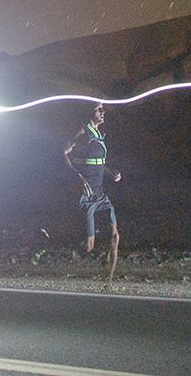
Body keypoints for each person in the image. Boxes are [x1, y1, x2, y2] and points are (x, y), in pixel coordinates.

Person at [63, 103, 121, 273]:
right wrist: (78, 178)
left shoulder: (99, 134)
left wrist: (110, 172)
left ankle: (108, 282)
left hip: (100, 193)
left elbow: (97, 163)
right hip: (86, 195)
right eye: (98, 109)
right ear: (89, 111)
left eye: (103, 109)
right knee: (89, 246)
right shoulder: (82, 131)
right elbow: (62, 153)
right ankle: (59, 256)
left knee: (115, 237)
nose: (103, 112)